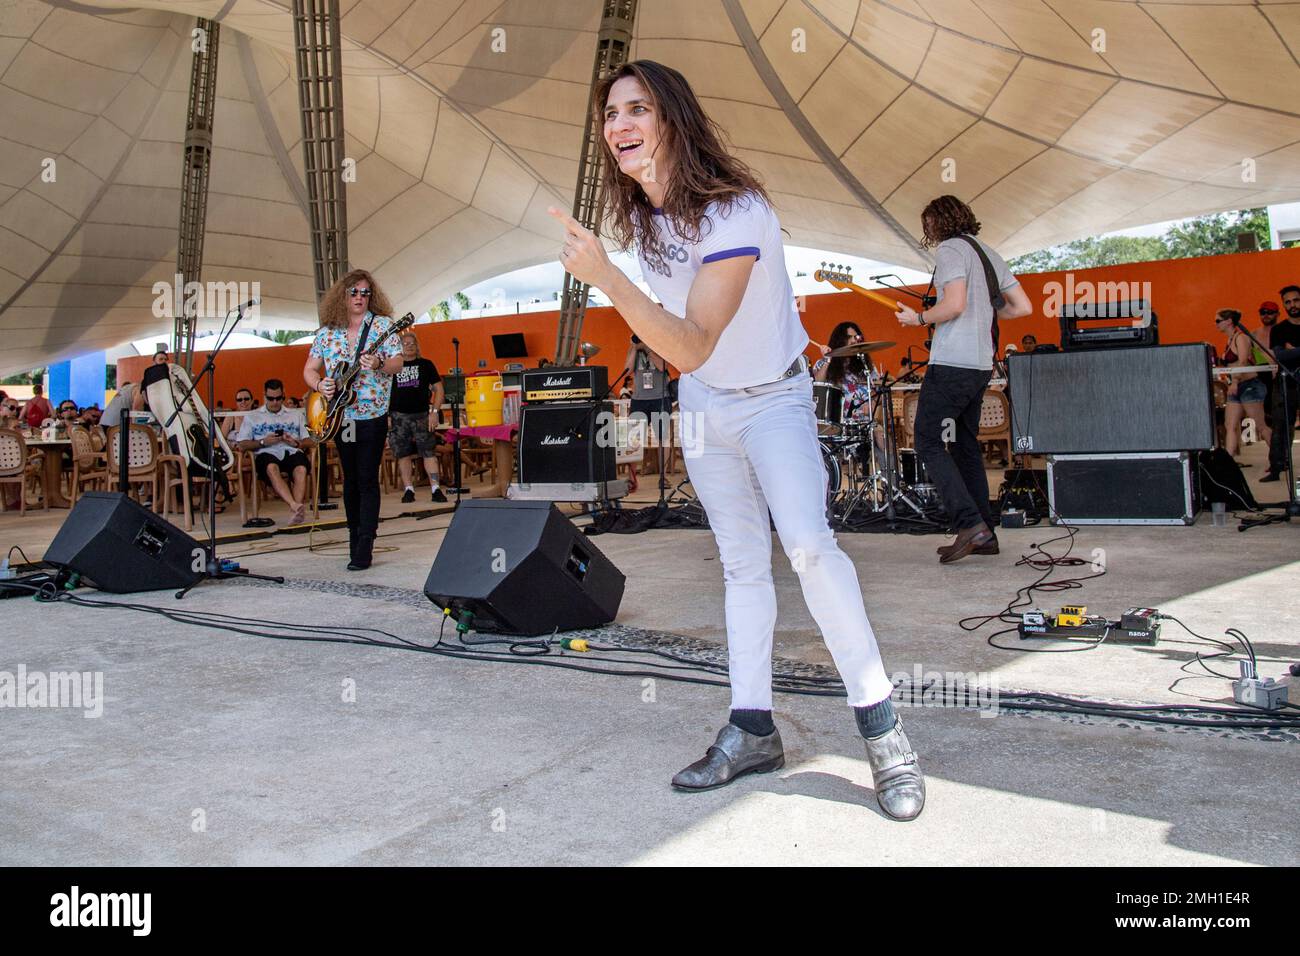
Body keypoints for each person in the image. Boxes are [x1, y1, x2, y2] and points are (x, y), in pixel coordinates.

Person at [548, 59, 924, 821]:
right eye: (611, 113)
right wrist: (625, 281)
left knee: (812, 550)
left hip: (773, 399)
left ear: (672, 119)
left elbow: (692, 340)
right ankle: (752, 727)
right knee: (741, 564)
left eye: (637, 109)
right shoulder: (648, 225)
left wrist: (606, 279)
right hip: (703, 406)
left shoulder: (737, 212)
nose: (619, 124)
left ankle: (884, 732)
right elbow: (682, 357)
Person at [895, 195, 1032, 562]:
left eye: (928, 227)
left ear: (936, 224)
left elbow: (954, 304)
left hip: (952, 362)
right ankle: (985, 533)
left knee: (927, 440)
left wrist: (919, 319)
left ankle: (969, 524)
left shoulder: (951, 250)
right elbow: (1022, 306)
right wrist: (984, 308)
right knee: (964, 443)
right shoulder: (988, 253)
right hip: (980, 363)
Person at [303, 269, 403, 570]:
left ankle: (365, 542)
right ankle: (352, 534)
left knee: (367, 477)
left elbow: (398, 363)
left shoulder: (382, 326)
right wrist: (320, 385)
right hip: (340, 416)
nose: (359, 297)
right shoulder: (327, 332)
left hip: (372, 413)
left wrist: (379, 363)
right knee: (351, 479)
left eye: (365, 292)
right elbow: (309, 370)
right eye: (354, 292)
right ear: (342, 295)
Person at [235, 379, 313, 525]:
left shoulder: (296, 415)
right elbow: (242, 444)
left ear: (283, 395)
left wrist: (297, 443)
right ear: (264, 395)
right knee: (271, 467)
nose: (275, 402)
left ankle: (295, 512)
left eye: (279, 398)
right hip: (265, 452)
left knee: (301, 468)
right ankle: (294, 506)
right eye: (271, 398)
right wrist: (263, 442)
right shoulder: (253, 416)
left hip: (290, 450)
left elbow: (311, 440)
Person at [388, 331, 447, 504]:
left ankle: (435, 489)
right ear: (399, 347)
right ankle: (408, 490)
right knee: (402, 454)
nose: (409, 345)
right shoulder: (392, 367)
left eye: (412, 342)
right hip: (398, 416)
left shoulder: (426, 365)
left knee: (429, 452)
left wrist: (434, 413)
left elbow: (439, 390)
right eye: (405, 343)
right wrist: (387, 416)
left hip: (422, 415)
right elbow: (383, 394)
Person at [1214, 309, 1271, 459]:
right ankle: (1228, 461)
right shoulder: (1230, 339)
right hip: (1237, 386)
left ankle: (1278, 458)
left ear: (1229, 321)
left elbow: (1244, 361)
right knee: (1230, 425)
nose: (1216, 325)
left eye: (1218, 321)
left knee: (1260, 425)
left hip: (1249, 385)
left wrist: (1235, 382)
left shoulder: (1241, 338)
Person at [1263, 285, 1300, 482]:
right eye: (1288, 302)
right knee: (1280, 426)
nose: (1292, 305)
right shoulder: (1278, 329)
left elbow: (1289, 353)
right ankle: (1276, 468)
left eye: (1295, 300)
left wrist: (1293, 350)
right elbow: (1281, 356)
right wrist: (1288, 352)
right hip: (1285, 382)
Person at [625, 333, 673, 451]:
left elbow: (663, 366)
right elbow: (627, 370)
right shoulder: (634, 349)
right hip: (639, 399)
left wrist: (648, 348)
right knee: (634, 438)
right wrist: (634, 348)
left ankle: (663, 470)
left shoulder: (661, 346)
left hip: (660, 398)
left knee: (663, 439)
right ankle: (633, 470)